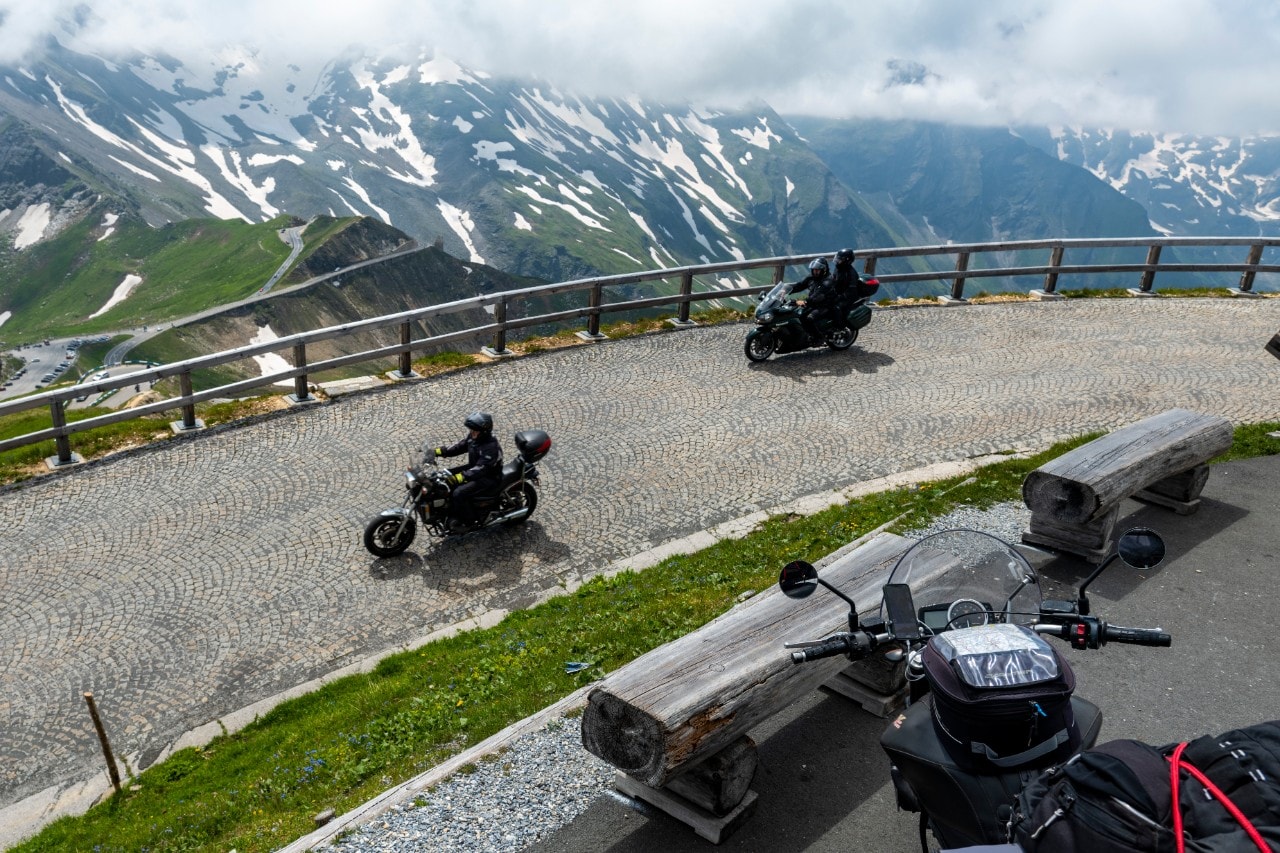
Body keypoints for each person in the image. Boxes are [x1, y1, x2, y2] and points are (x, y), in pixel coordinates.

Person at [433, 411, 503, 530]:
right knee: (444, 475)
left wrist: (459, 477)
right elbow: (459, 446)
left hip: (488, 477)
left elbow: (481, 469)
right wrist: (437, 451)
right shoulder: (475, 437)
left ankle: (469, 521)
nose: (471, 433)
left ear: (484, 431)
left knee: (458, 493)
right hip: (474, 469)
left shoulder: (490, 447)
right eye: (471, 430)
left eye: (474, 430)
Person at [793, 257, 836, 342]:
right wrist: (786, 290)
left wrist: (803, 301)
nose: (815, 272)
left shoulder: (827, 281)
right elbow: (800, 285)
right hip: (814, 303)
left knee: (809, 319)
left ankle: (818, 338)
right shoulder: (812, 277)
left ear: (823, 270)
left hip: (824, 306)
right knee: (796, 314)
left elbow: (817, 296)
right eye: (813, 270)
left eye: (817, 270)